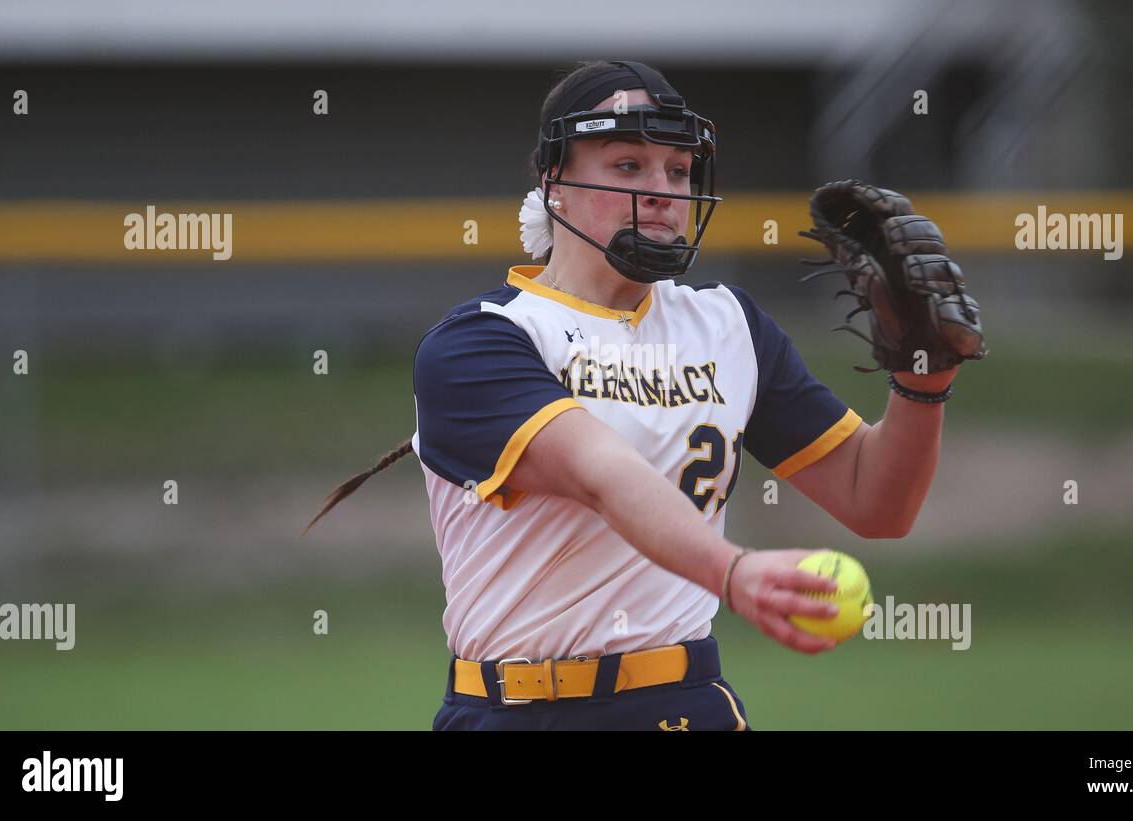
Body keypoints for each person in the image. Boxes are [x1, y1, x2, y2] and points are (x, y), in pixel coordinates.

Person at [306, 60, 961, 730]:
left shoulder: (727, 325)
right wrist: (732, 573)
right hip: (516, 712)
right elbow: (605, 476)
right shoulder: (481, 340)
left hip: (682, 705)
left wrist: (922, 378)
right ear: (553, 181)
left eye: (677, 171)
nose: (662, 191)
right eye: (628, 166)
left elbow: (876, 499)